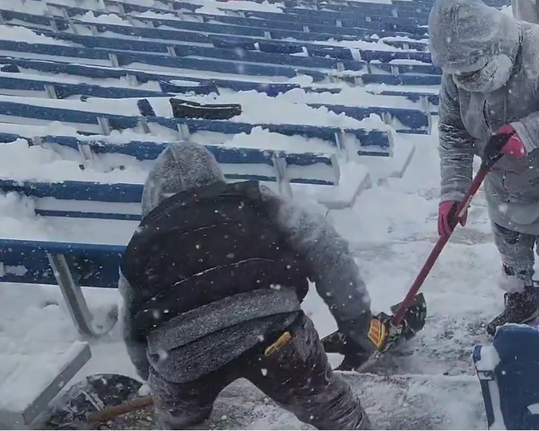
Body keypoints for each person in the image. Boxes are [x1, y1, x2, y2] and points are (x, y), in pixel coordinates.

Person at [119, 143, 374, 430]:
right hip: (275, 332)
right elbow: (328, 251)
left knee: (181, 426)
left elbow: (131, 326)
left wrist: (156, 380)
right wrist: (355, 325)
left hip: (178, 354)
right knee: (332, 409)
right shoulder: (254, 199)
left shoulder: (142, 240)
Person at [429, 0, 539, 336]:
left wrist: (527, 132)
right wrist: (454, 190)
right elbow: (454, 133)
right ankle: (520, 296)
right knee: (511, 246)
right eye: (460, 75)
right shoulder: (456, 69)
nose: (467, 82)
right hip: (503, 182)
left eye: (474, 73)